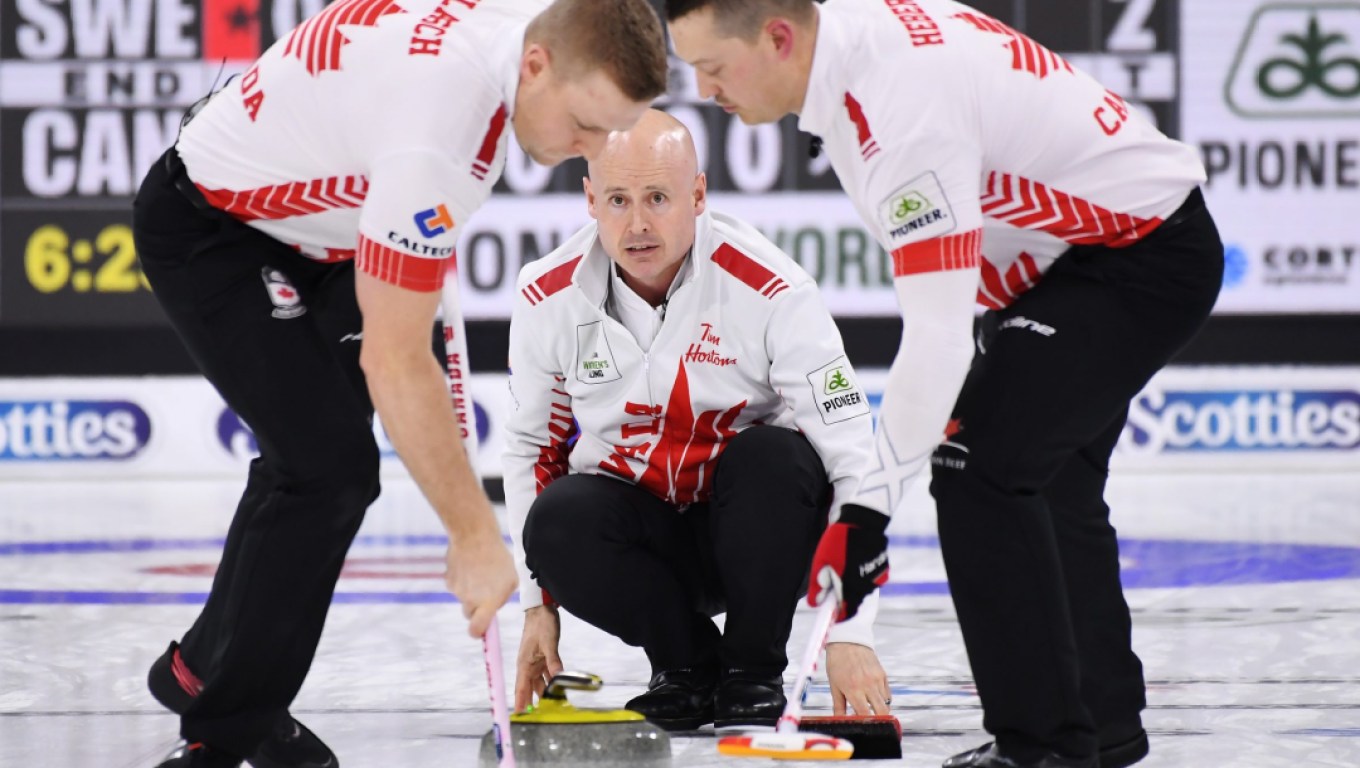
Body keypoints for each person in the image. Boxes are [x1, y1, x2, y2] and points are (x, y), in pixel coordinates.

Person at [666, 1, 1223, 766]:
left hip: (1136, 257)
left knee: (977, 467)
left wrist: (864, 515)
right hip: (1072, 266)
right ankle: (1100, 728)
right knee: (1045, 479)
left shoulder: (900, 110)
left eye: (715, 66)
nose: (702, 89)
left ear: (779, 37)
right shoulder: (858, 53)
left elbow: (937, 337)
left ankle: (1043, 750)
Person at [131, 0, 668, 765]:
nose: (589, 152)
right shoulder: (441, 142)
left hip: (335, 223)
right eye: (583, 125)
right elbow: (394, 360)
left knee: (310, 461)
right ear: (537, 65)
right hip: (215, 226)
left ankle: (204, 674)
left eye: (608, 134)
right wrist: (474, 536)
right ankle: (224, 735)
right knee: (328, 468)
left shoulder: (527, 32)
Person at [503, 109, 891, 731]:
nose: (637, 224)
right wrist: (535, 607)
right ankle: (688, 669)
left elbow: (853, 456)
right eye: (618, 200)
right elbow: (531, 452)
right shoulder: (544, 296)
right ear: (589, 200)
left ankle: (753, 673)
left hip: (763, 538)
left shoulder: (773, 288)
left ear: (699, 194)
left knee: (774, 456)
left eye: (658, 197)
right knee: (557, 522)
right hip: (648, 543)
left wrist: (849, 629)